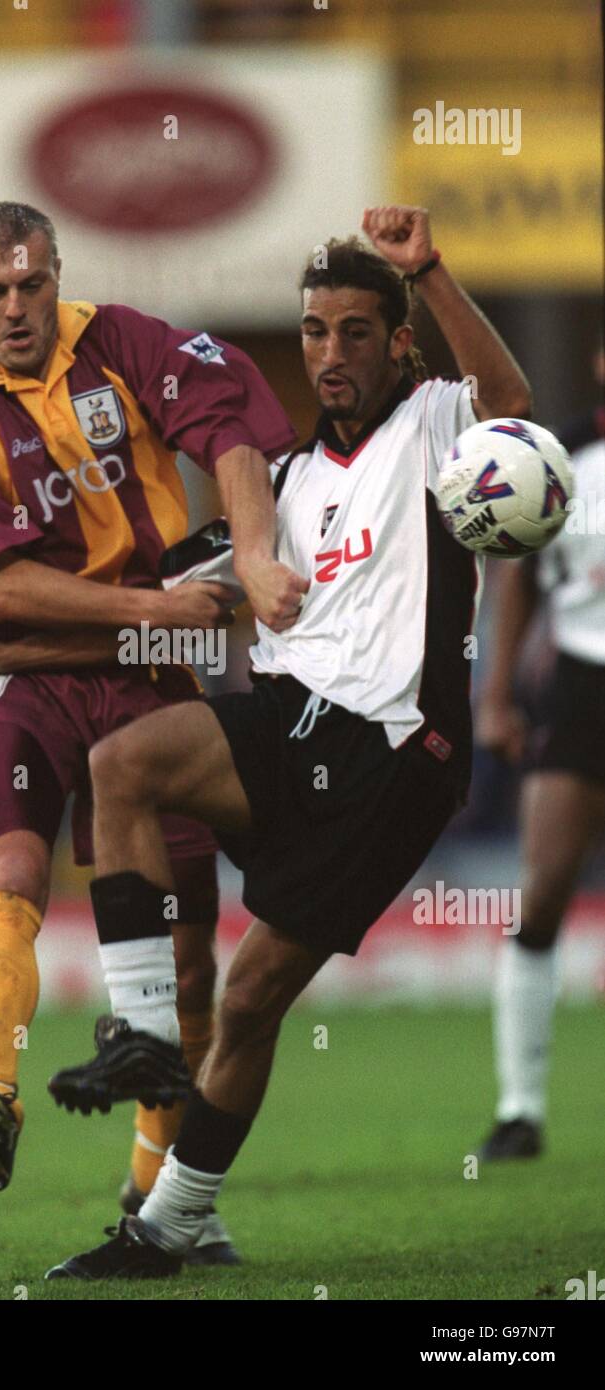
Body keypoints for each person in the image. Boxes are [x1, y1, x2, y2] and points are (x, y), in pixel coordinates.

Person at [43, 206, 533, 1279]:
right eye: (314, 332)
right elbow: (147, 596)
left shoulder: (440, 426)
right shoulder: (284, 480)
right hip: (288, 721)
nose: (330, 353)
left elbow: (511, 404)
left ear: (396, 343)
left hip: (396, 754)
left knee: (256, 995)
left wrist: (432, 273)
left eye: (356, 331)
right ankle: (141, 1035)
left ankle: (167, 1227)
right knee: (120, 761)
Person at [0, 201, 302, 1265]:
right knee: (11, 865)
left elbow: (236, 427)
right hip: (16, 670)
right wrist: (158, 607)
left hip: (143, 676)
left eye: (33, 285)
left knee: (189, 951)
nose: (18, 308)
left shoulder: (124, 341)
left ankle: (155, 1197)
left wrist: (248, 547)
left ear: (56, 273)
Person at [475, 401, 605, 1160]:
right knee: (542, 891)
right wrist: (495, 696)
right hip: (579, 688)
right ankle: (518, 1108)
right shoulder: (565, 466)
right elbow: (516, 573)